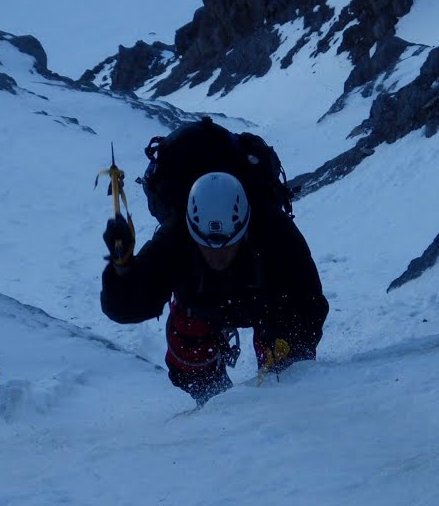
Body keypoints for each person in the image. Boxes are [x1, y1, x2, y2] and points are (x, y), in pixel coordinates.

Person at [101, 170, 329, 405]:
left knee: (290, 358)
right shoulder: (175, 238)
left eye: (228, 245)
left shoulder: (274, 230)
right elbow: (127, 306)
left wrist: (290, 347)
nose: (218, 256)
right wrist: (122, 267)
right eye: (207, 246)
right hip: (201, 309)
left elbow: (309, 299)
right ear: (191, 231)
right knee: (186, 338)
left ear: (245, 227)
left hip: (267, 306)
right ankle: (212, 402)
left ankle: (283, 389)